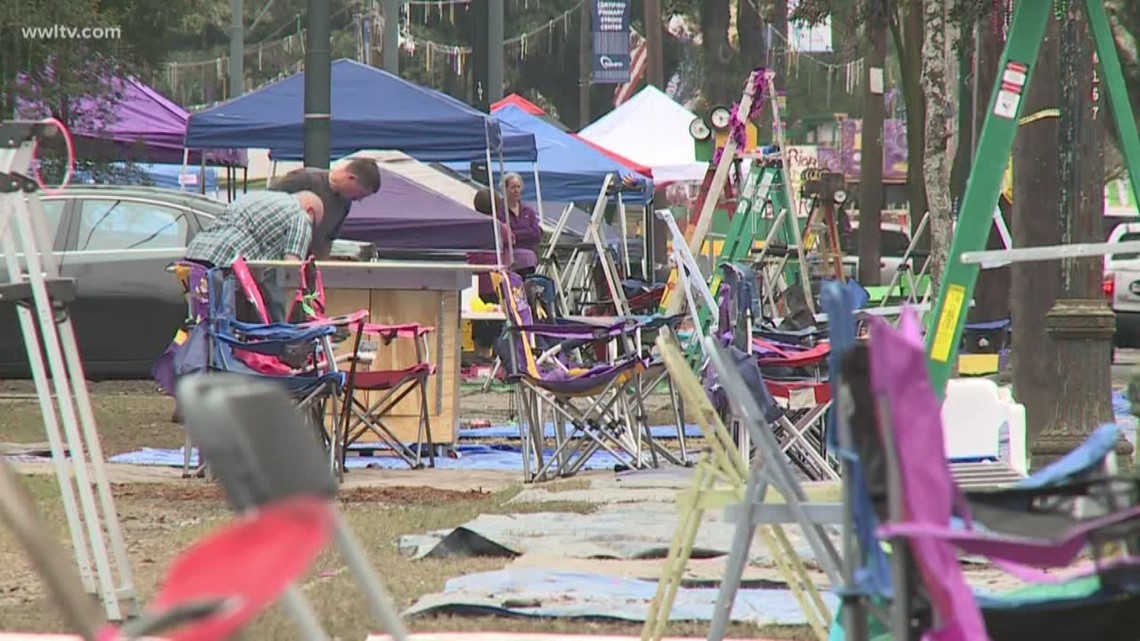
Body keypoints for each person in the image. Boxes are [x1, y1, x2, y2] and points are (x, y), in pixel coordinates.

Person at [185, 190, 324, 322]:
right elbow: (291, 269)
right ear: (310, 211)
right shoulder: (300, 215)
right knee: (223, 326)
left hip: (194, 255)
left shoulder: (258, 197)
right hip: (224, 262)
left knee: (199, 322)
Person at [268, 157, 382, 259]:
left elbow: (328, 240)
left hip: (306, 262)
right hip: (274, 255)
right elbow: (266, 204)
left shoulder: (345, 203)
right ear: (351, 178)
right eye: (360, 194)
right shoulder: (303, 179)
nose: (358, 199)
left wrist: (319, 267)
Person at [501, 172, 544, 277]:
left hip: (529, 256)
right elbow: (503, 235)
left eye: (518, 187)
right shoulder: (500, 210)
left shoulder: (528, 211)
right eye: (512, 187)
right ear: (505, 189)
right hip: (508, 255)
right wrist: (526, 232)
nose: (516, 190)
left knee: (528, 259)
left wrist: (514, 234)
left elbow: (536, 235)